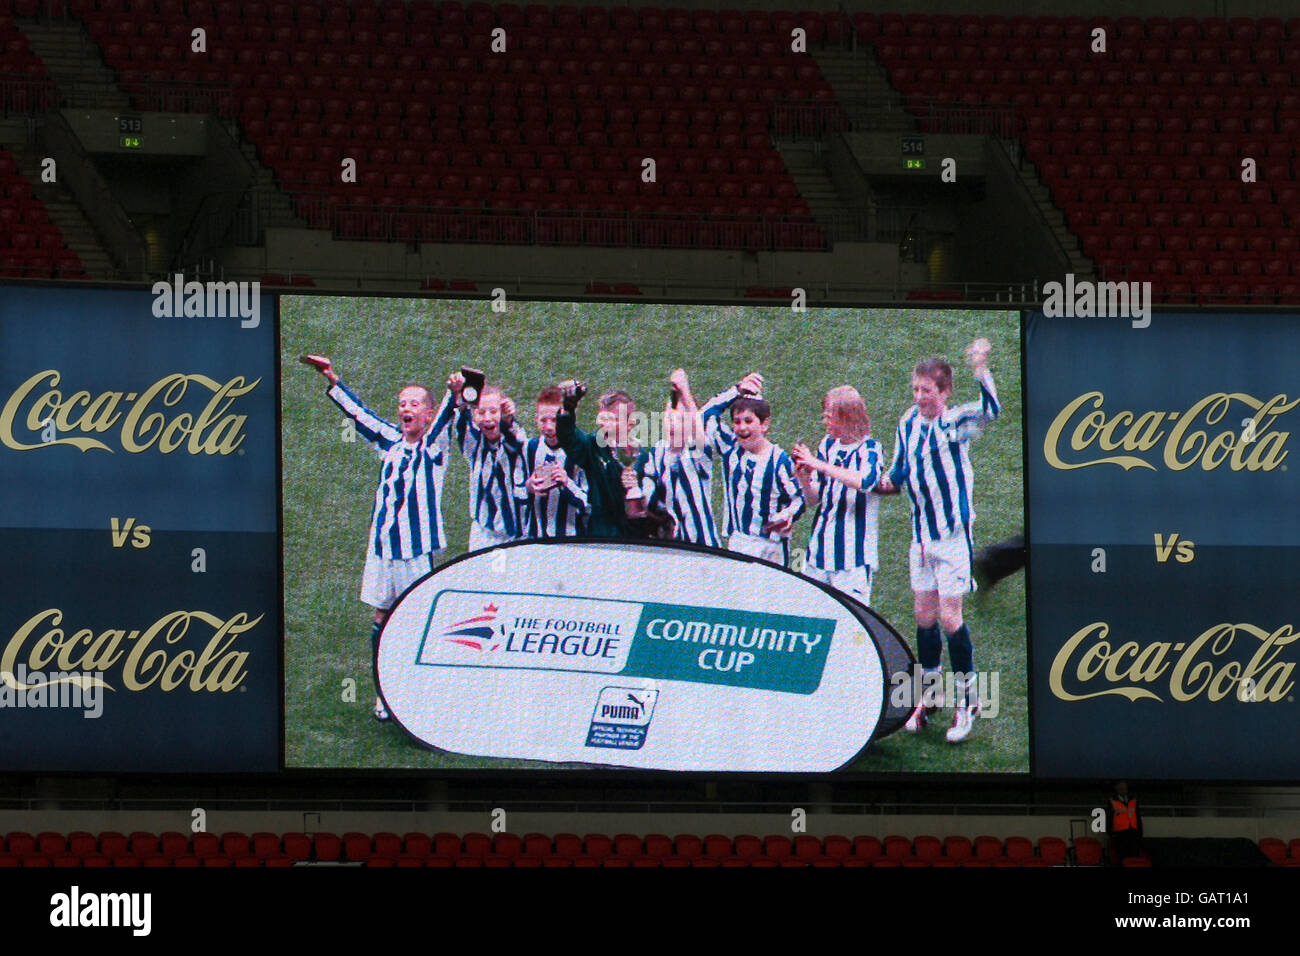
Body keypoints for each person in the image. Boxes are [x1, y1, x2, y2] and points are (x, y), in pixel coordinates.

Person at [304, 354, 455, 722]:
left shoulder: (433, 448)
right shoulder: (390, 441)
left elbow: (447, 419)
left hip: (414, 552)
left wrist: (455, 395)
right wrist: (332, 378)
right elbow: (360, 416)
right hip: (382, 549)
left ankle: (418, 690)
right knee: (381, 616)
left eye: (415, 404)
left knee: (416, 618)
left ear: (428, 414)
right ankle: (385, 690)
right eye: (402, 403)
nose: (406, 408)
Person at [877, 338, 1000, 744]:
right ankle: (930, 698)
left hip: (951, 538)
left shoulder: (955, 422)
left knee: (951, 618)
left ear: (944, 392)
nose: (919, 397)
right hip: (921, 538)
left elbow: (991, 411)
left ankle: (967, 703)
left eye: (927, 391)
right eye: (915, 389)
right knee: (925, 618)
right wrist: (862, 482)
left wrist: (980, 369)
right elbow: (897, 475)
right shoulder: (906, 423)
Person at [791, 385, 884, 606]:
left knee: (852, 626)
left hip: (853, 561)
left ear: (847, 418)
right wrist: (803, 477)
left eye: (830, 417)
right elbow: (814, 499)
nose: (826, 423)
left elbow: (866, 482)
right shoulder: (828, 445)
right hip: (818, 555)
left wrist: (818, 464)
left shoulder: (869, 449)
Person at [701, 372, 805, 567]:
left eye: (748, 421)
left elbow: (799, 498)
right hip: (739, 542)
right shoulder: (730, 447)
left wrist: (786, 516)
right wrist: (736, 391)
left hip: (770, 548)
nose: (741, 428)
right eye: (737, 421)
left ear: (764, 424)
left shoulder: (778, 460)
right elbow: (704, 417)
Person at [627, 368, 722, 548]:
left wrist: (685, 391)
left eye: (680, 419)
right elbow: (649, 501)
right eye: (669, 417)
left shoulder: (696, 453)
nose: (672, 423)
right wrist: (634, 489)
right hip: (673, 547)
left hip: (703, 546)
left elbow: (699, 433)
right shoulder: (657, 453)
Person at [555, 381, 649, 538]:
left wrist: (636, 492)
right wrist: (568, 409)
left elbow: (650, 509)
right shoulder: (593, 446)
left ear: (630, 424)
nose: (604, 423)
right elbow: (568, 438)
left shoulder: (644, 459)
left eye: (612, 418)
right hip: (600, 537)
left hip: (635, 542)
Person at [447, 372, 527, 551]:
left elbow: (517, 441)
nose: (488, 418)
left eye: (494, 411)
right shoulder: (474, 445)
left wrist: (509, 420)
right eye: (481, 412)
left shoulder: (516, 440)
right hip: (484, 533)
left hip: (517, 533)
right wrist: (459, 397)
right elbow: (462, 422)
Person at [519, 386, 589, 538]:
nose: (549, 427)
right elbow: (515, 494)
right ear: (536, 418)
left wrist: (567, 484)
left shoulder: (581, 451)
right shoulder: (529, 448)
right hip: (535, 539)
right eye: (543, 420)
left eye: (555, 420)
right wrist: (529, 487)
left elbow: (590, 505)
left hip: (571, 541)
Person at [1108, 780, 1143, 863]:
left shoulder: (1133, 800)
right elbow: (1109, 818)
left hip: (1133, 832)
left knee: (1134, 857)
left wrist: (1140, 832)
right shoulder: (1112, 801)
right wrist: (1110, 833)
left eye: (1124, 788)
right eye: (1121, 788)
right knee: (1121, 857)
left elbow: (1137, 816)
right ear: (1116, 788)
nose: (1123, 790)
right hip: (1120, 834)